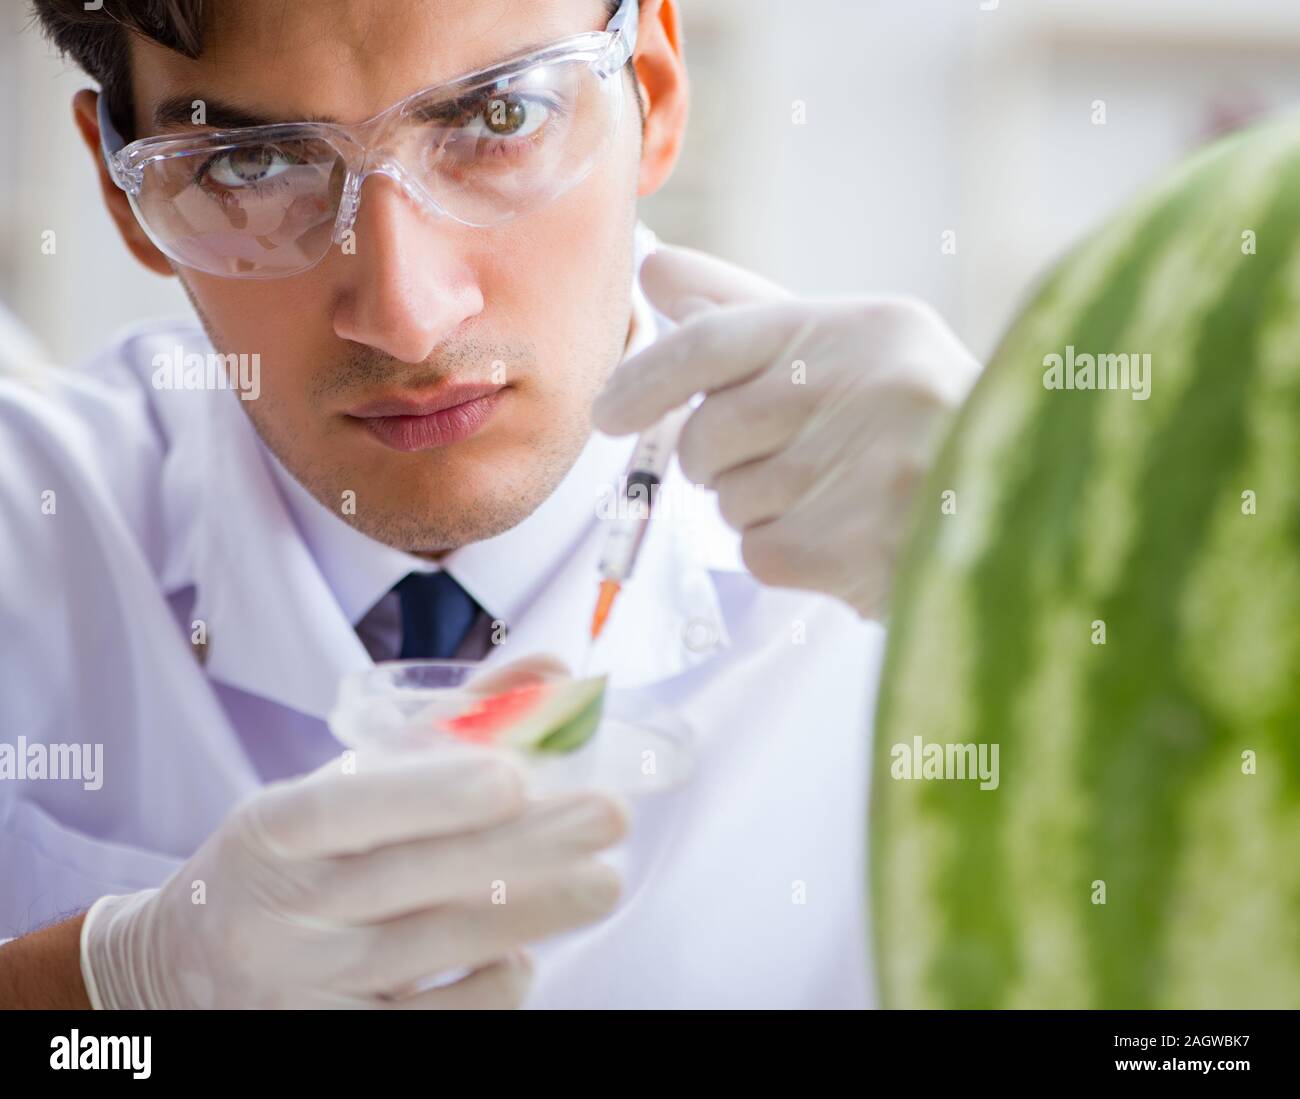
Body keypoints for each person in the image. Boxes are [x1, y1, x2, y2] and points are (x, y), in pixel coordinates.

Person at [0, 0, 979, 1008]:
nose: (407, 318)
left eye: (498, 119)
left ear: (652, 87)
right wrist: (103, 986)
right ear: (123, 198)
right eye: (253, 165)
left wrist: (1060, 577)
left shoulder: (925, 539)